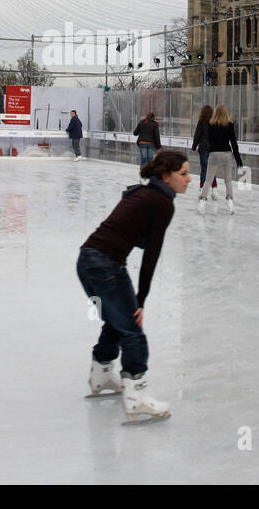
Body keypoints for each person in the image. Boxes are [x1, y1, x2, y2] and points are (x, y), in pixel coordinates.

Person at [76, 149, 189, 423]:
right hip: (105, 264)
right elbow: (152, 253)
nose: (189, 179)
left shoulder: (144, 192)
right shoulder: (163, 202)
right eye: (183, 174)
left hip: (87, 260)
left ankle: (101, 375)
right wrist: (142, 299)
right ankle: (136, 396)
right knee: (132, 329)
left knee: (117, 320)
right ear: (166, 175)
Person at [197, 105, 243, 214]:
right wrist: (238, 160)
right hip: (226, 154)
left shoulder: (211, 125)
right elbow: (234, 144)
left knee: (208, 179)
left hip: (213, 154)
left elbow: (209, 142)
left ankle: (202, 203)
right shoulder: (230, 126)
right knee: (228, 180)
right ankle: (230, 203)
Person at [190, 105, 212, 191]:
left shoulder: (201, 122)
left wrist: (194, 146)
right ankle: (214, 188)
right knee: (211, 169)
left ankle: (202, 186)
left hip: (203, 149)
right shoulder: (214, 123)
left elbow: (197, 135)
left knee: (204, 169)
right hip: (212, 149)